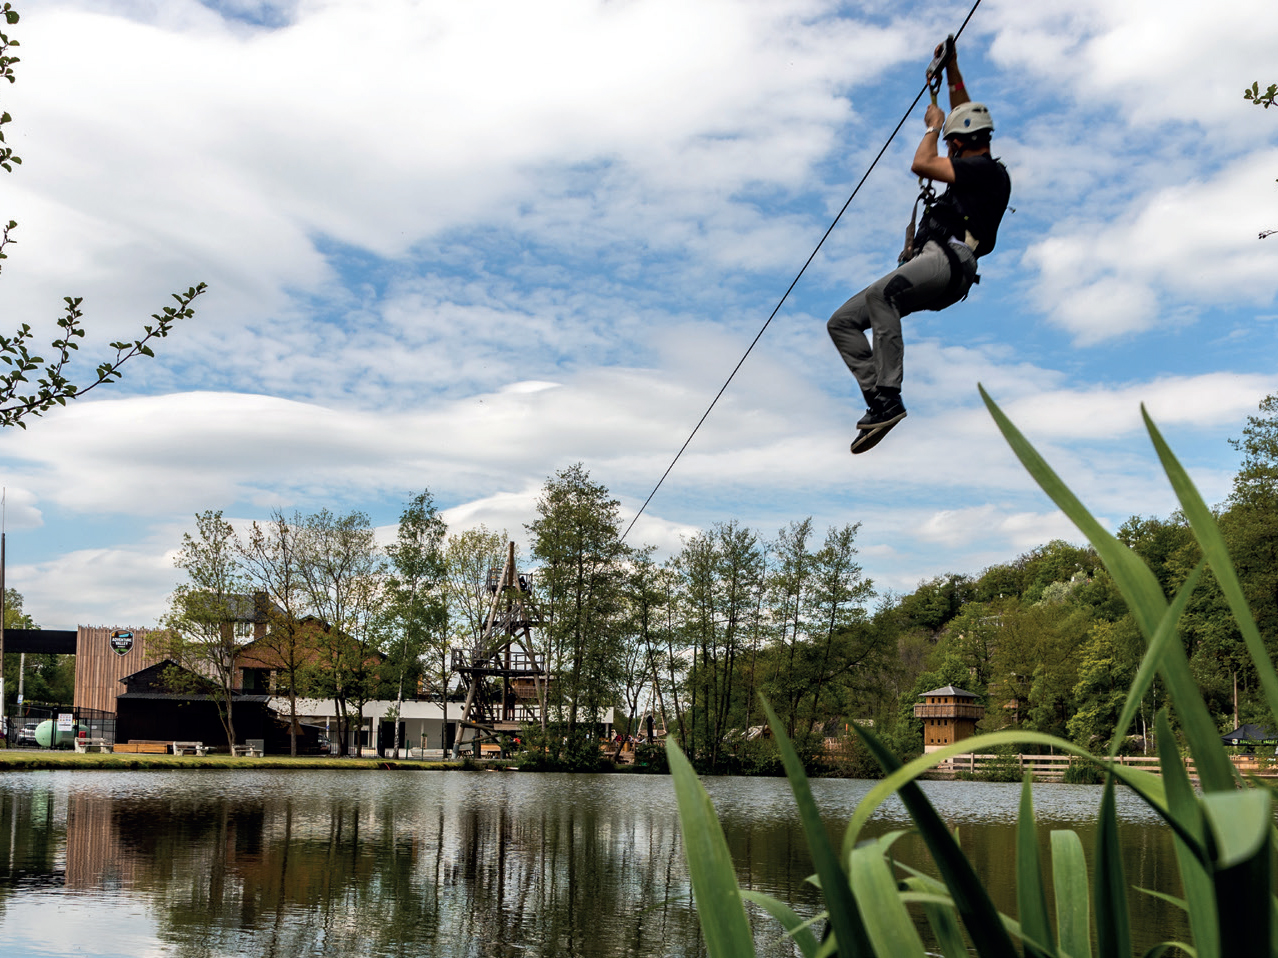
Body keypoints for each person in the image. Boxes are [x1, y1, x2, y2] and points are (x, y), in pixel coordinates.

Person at [827, 42, 1011, 453]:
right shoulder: (973, 159)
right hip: (933, 260)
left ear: (959, 144)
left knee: (882, 293)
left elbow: (922, 163)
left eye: (949, 142)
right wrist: (952, 71)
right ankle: (878, 400)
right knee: (842, 321)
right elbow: (964, 114)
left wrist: (932, 127)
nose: (947, 147)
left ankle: (889, 395)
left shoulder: (984, 171)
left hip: (951, 259)